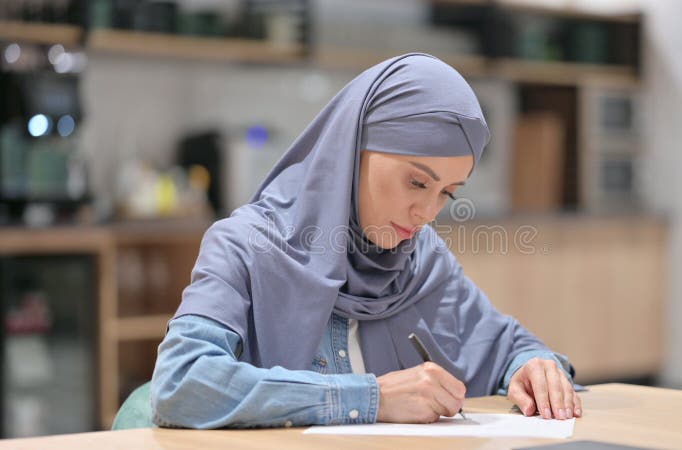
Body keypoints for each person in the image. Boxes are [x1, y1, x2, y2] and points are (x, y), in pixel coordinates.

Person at [150, 53, 581, 428]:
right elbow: (182, 382)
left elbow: (507, 345)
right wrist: (371, 399)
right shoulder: (244, 246)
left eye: (447, 193)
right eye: (416, 182)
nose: (428, 213)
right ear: (352, 150)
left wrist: (531, 366)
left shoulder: (423, 261)